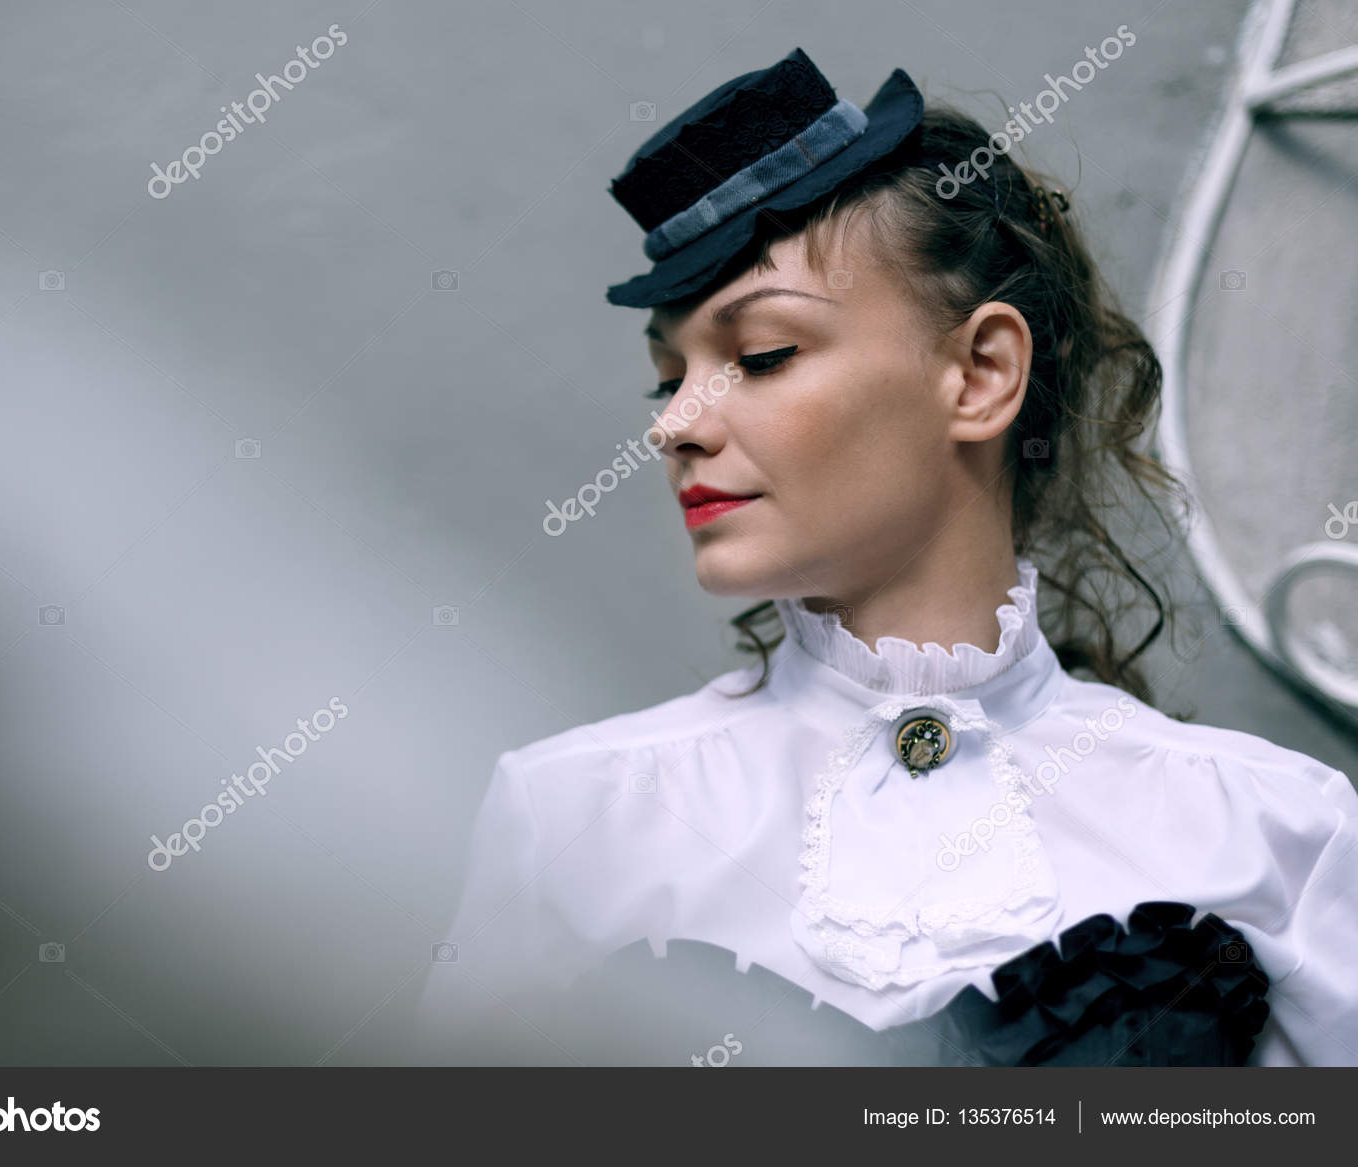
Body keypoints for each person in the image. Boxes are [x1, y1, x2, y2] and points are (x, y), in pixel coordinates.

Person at [414, 48, 1358, 1066]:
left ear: (980, 374)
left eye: (760, 355)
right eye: (667, 379)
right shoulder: (572, 821)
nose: (675, 427)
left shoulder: (1276, 827)